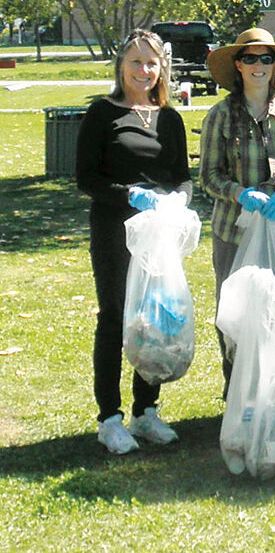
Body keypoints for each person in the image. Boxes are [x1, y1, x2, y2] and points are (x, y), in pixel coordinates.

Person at [75, 29, 192, 454]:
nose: (144, 70)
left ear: (162, 68)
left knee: (156, 318)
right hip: (115, 231)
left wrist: (179, 199)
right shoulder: (102, 114)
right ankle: (110, 418)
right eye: (135, 62)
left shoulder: (170, 118)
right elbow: (86, 178)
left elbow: (181, 173)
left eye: (151, 62)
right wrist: (130, 195)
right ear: (121, 67)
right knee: (115, 317)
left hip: (159, 235)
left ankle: (147, 411)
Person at [200, 28, 275, 397]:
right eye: (250, 58)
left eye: (266, 58)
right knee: (236, 311)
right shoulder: (220, 116)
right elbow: (208, 175)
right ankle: (237, 390)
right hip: (234, 232)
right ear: (238, 65)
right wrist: (239, 194)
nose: (258, 66)